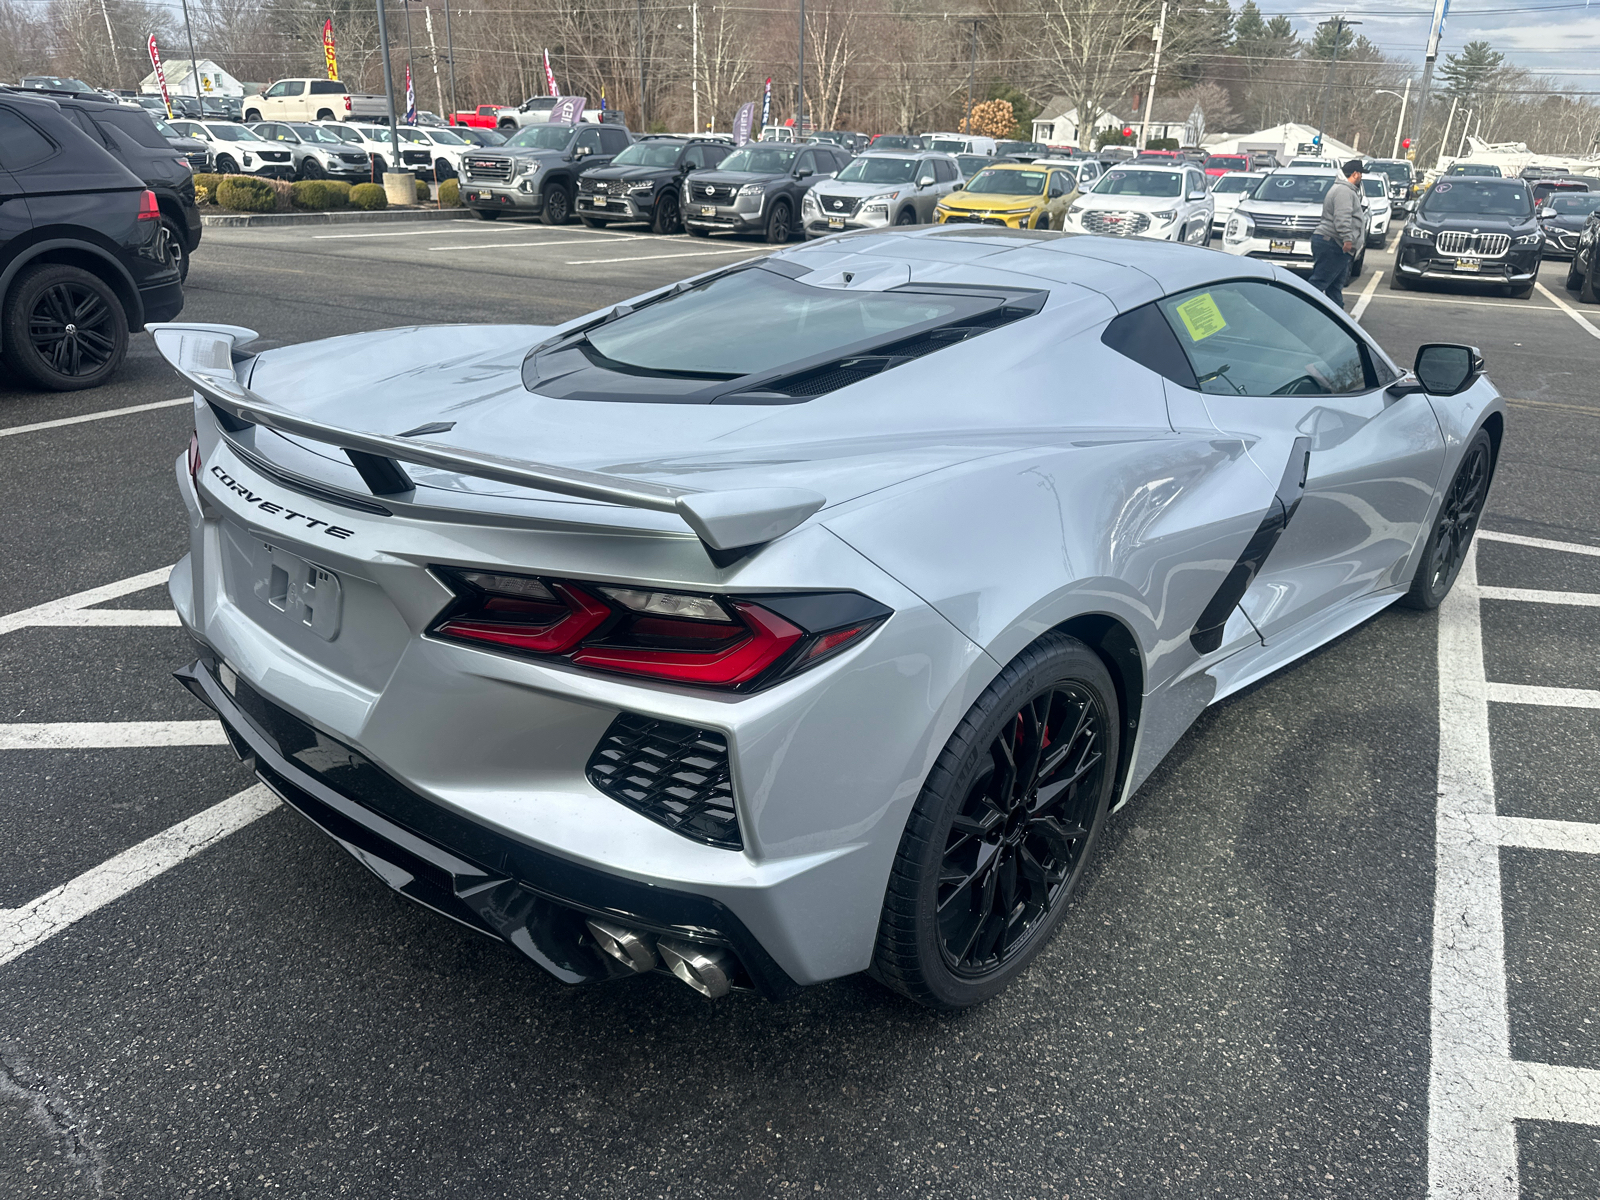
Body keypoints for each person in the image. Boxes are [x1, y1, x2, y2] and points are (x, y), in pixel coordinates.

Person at [1308, 159, 1364, 309]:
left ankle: (1337, 317)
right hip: (1333, 242)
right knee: (1319, 283)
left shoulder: (1342, 189)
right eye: (1361, 174)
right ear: (1355, 174)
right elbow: (1342, 216)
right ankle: (1302, 311)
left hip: (1332, 241)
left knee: (1334, 286)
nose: (1361, 178)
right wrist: (1348, 239)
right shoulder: (1344, 191)